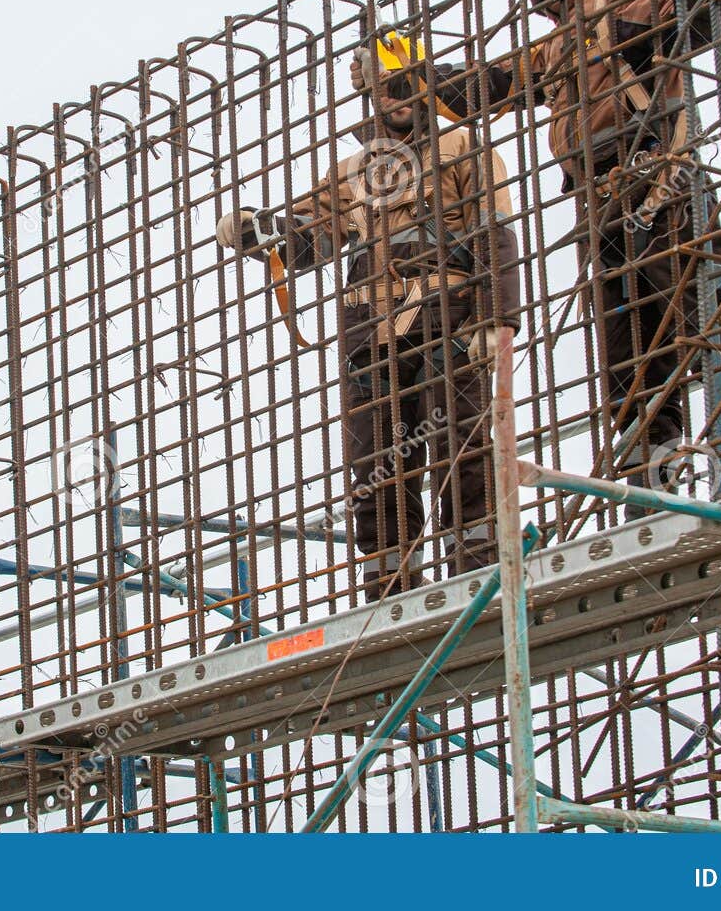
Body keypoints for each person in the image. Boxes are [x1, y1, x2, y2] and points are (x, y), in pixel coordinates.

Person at [357, 0, 721, 515]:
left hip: (658, 187)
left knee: (711, 323)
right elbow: (493, 85)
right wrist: (416, 76)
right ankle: (652, 488)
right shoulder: (560, 42)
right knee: (631, 354)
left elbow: (699, 21)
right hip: (602, 205)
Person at [217, 33, 522, 599]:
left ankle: (476, 558)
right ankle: (388, 575)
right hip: (369, 332)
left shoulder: (462, 147)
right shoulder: (353, 170)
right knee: (376, 455)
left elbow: (495, 236)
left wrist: (496, 319)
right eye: (382, 90)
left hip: (446, 318)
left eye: (402, 85)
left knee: (459, 437)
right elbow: (310, 238)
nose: (393, 99)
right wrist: (262, 233)